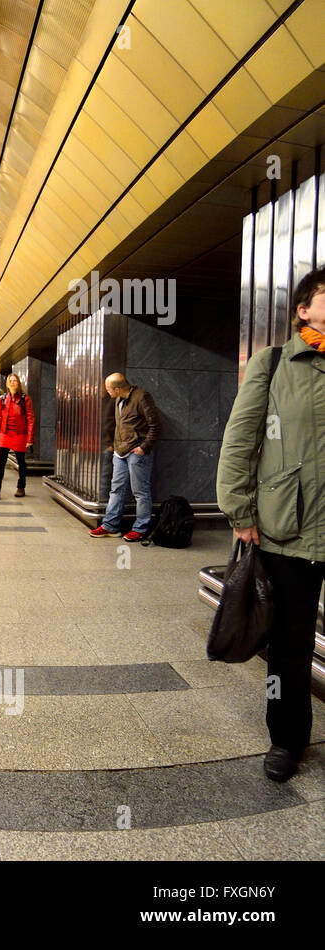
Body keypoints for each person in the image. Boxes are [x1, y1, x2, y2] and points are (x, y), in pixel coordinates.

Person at [216, 266, 325, 782]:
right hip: (290, 527)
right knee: (291, 641)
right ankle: (287, 739)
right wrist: (240, 510)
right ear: (304, 309)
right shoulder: (275, 362)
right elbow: (241, 439)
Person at [89, 373, 162, 541]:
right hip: (120, 452)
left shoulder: (141, 397)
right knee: (116, 489)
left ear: (117, 388)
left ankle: (141, 528)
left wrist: (144, 447)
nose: (107, 392)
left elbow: (155, 425)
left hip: (137, 452)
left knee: (140, 492)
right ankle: (110, 525)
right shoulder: (118, 400)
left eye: (108, 389)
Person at [0, 374, 35, 500]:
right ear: (7, 384)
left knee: (21, 462)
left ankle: (21, 487)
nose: (12, 383)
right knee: (1, 462)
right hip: (5, 434)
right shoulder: (2, 398)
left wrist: (30, 439)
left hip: (19, 435)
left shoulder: (25, 399)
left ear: (18, 383)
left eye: (15, 381)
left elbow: (30, 419)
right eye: (10, 381)